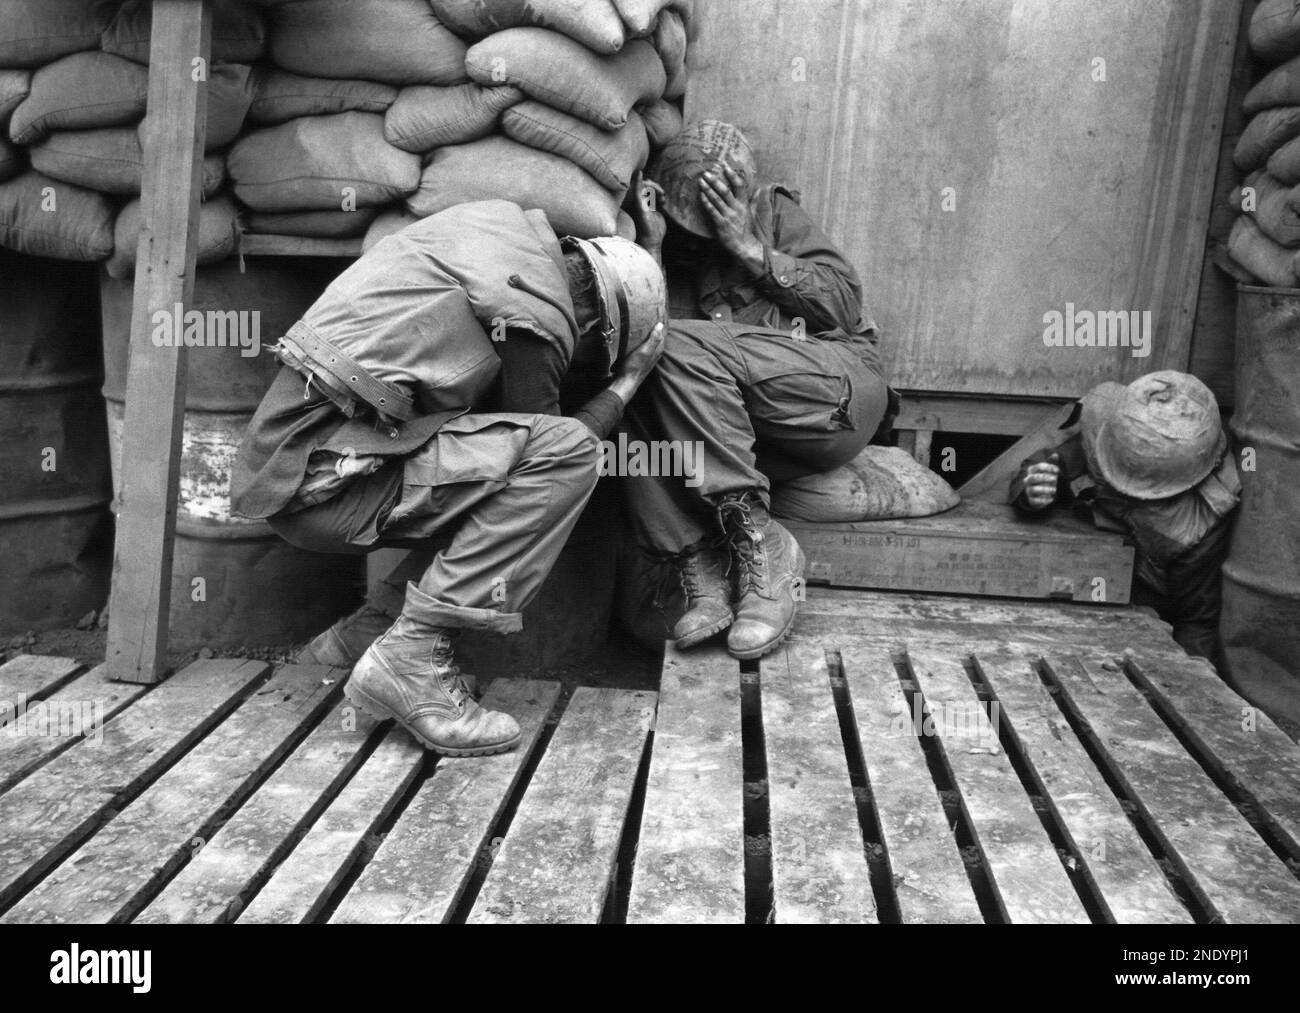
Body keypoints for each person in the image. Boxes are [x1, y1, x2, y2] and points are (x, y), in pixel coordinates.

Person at [232, 200, 666, 757]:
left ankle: (358, 640)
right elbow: (555, 448)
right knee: (563, 458)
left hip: (281, 467)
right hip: (323, 489)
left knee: (490, 480)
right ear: (592, 323)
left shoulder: (499, 235)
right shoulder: (540, 311)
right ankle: (411, 657)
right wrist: (625, 385)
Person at [623, 120, 894, 660]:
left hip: (831, 395)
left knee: (671, 346)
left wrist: (749, 249)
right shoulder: (661, 245)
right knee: (638, 369)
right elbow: (649, 338)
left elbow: (843, 305)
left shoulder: (770, 211)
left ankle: (761, 544)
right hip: (754, 442)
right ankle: (699, 563)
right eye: (685, 222)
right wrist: (651, 247)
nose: (697, 236)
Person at [1009, 371, 1240, 663]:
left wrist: (1188, 678)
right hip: (1081, 578)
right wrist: (1030, 493)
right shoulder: (1116, 422)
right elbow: (1050, 465)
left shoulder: (1204, 519)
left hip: (1144, 605)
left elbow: (1196, 619)